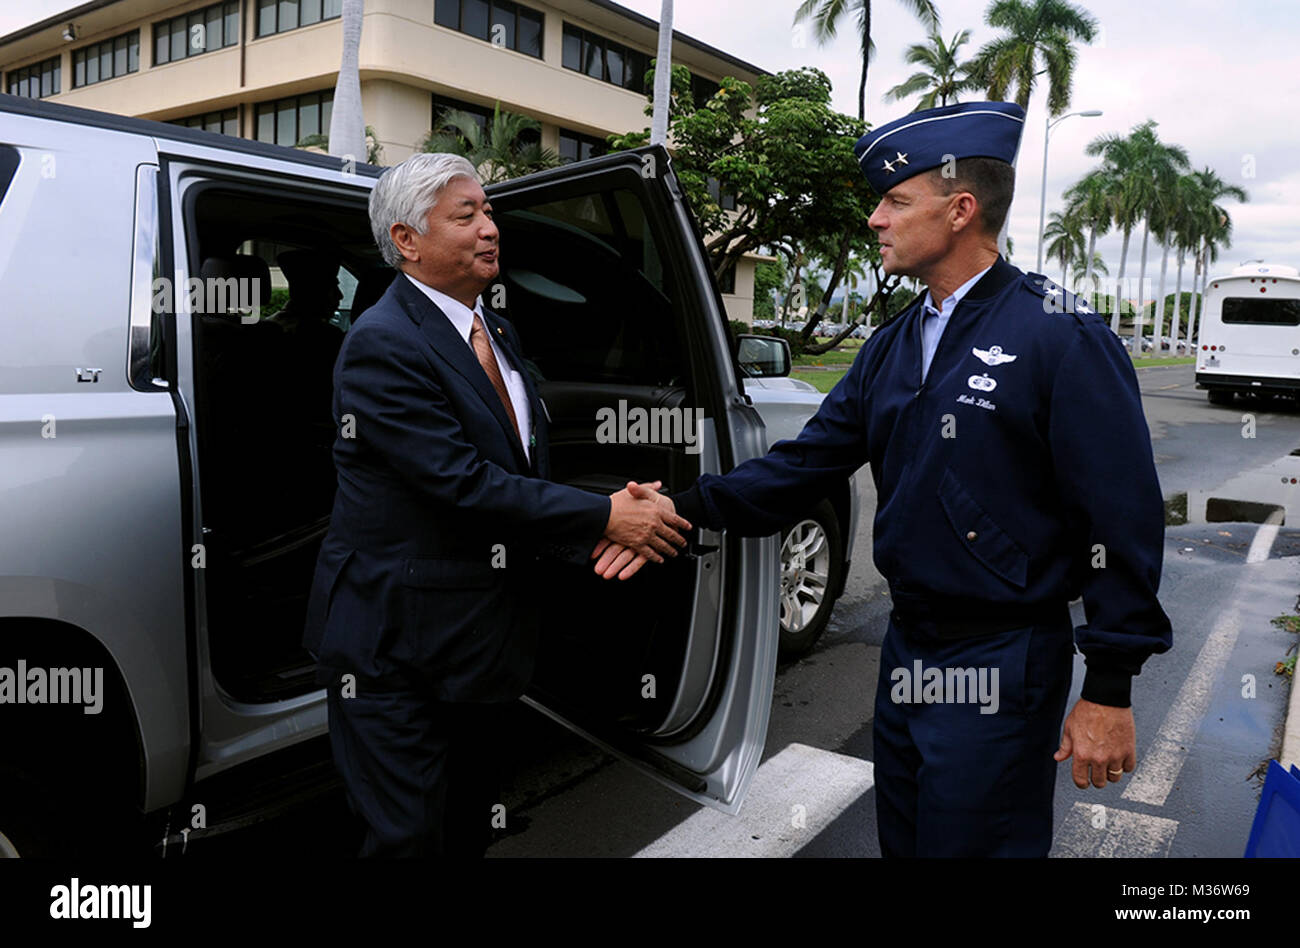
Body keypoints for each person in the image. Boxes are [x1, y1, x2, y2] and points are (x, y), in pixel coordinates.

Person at [592, 101, 1172, 857]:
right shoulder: (894, 343)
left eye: (895, 200)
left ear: (960, 209)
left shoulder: (1058, 334)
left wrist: (1109, 686)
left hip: (1001, 656)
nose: (875, 219)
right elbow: (806, 464)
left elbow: (1119, 516)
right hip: (909, 647)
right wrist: (681, 509)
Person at [303, 153, 691, 857]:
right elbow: (461, 483)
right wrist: (607, 516)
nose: (491, 228)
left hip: (481, 644)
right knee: (408, 838)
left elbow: (520, 467)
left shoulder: (497, 330)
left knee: (467, 824)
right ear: (407, 240)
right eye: (467, 216)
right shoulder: (382, 345)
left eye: (488, 211)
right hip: (396, 648)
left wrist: (602, 532)